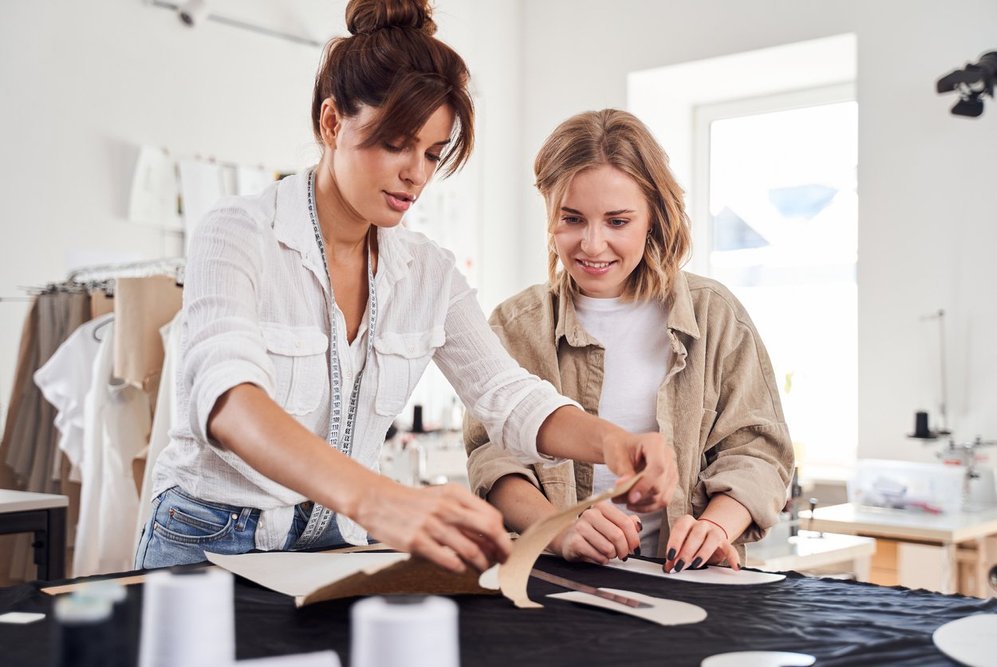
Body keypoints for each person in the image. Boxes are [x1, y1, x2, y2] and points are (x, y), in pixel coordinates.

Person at [135, 1, 677, 575]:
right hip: (205, 541)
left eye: (432, 154)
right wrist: (378, 499)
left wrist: (611, 441)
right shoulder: (239, 233)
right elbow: (230, 402)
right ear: (331, 123)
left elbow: (509, 396)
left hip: (330, 549)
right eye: (396, 144)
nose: (416, 173)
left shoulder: (427, 272)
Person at [465, 109, 793, 573]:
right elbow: (492, 457)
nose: (593, 245)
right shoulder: (516, 324)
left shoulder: (715, 314)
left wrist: (715, 528)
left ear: (653, 217)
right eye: (572, 219)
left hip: (685, 577)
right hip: (556, 579)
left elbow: (758, 449)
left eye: (617, 222)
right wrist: (559, 530)